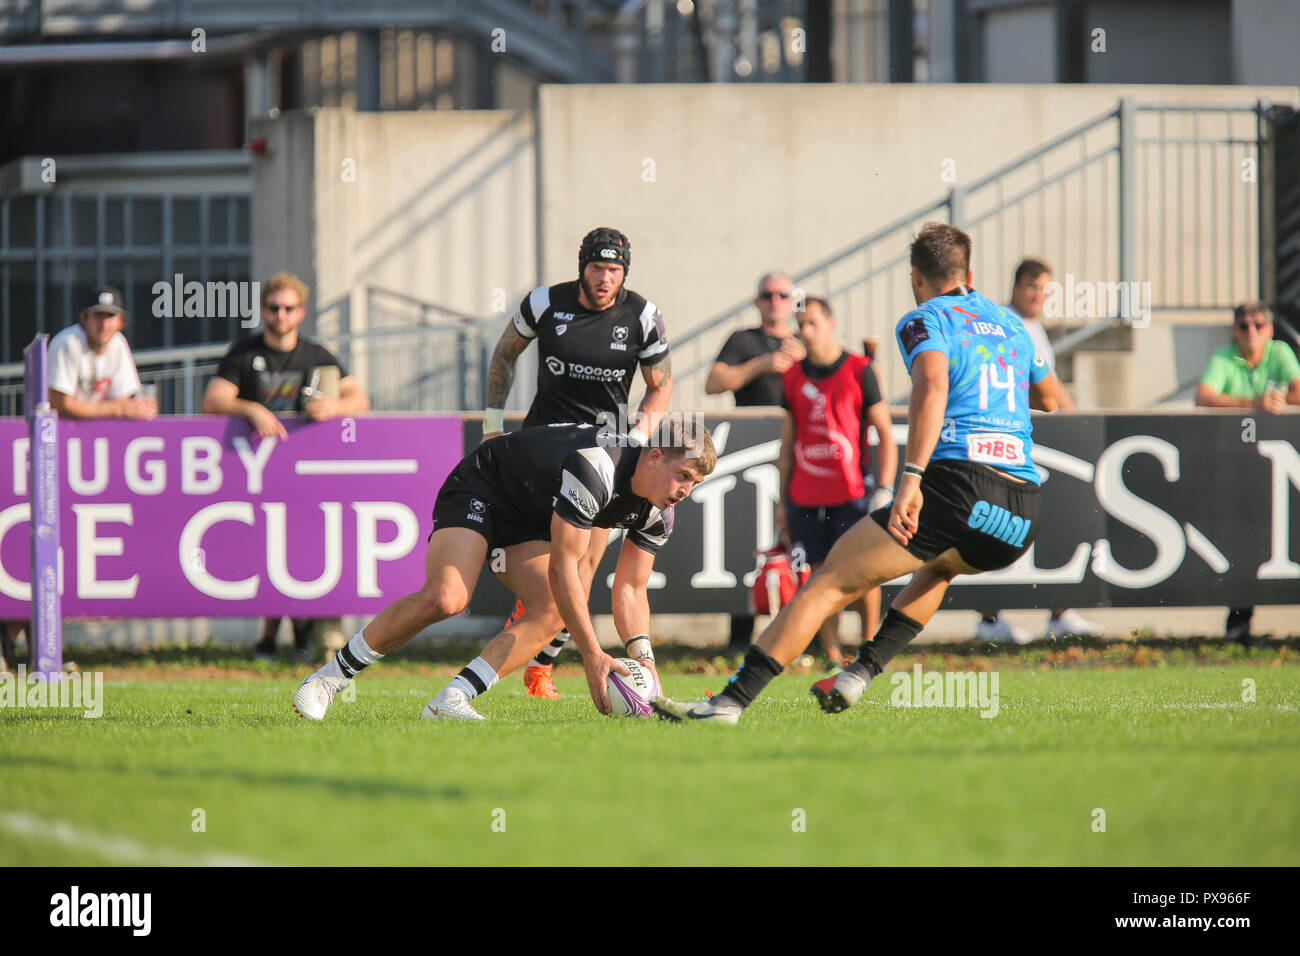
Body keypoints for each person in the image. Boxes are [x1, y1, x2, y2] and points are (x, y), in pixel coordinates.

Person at [652, 222, 1061, 724]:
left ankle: (729, 703)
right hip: (1022, 512)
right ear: (970, 274)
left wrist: (911, 479)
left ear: (916, 278)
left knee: (827, 584)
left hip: (962, 486)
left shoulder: (925, 318)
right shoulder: (1011, 323)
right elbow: (1048, 398)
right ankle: (858, 673)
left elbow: (932, 385)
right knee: (939, 566)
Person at [292, 418, 716, 721]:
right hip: (487, 484)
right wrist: (592, 655)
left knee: (551, 612)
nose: (686, 491)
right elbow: (563, 567)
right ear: (655, 456)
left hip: (532, 515)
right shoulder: (598, 468)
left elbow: (631, 588)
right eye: (683, 476)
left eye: (695, 483)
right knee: (446, 598)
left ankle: (450, 700)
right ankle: (327, 680)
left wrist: (647, 661)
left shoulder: (660, 512)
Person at [481, 226, 672, 698]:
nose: (605, 278)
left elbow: (662, 384)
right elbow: (504, 355)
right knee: (553, 566)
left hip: (603, 459)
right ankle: (533, 623)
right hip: (541, 453)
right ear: (582, 266)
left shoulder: (643, 315)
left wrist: (637, 436)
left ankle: (541, 665)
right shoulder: (544, 303)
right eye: (597, 267)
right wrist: (490, 422)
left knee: (582, 570)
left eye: (615, 270)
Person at [203, 272, 371, 659]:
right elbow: (213, 400)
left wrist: (335, 407)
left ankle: (300, 633)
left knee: (302, 553)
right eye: (273, 307)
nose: (281, 315)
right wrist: (251, 409)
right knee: (263, 551)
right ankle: (268, 636)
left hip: (306, 475)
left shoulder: (316, 354)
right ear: (262, 311)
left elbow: (359, 398)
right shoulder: (244, 352)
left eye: (288, 308)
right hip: (254, 472)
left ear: (301, 312)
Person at [975, 257, 1100, 644]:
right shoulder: (1004, 323)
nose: (1038, 295)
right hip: (1008, 439)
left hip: (1036, 441)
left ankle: (1057, 612)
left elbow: (1050, 383)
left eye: (1044, 289)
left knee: (1043, 525)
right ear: (1016, 287)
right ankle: (990, 618)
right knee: (997, 526)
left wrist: (1074, 419)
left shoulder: (1033, 329)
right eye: (1032, 286)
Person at [775, 296, 897, 668]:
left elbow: (886, 435)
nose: (805, 332)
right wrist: (782, 500)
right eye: (801, 324)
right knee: (818, 574)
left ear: (830, 323)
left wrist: (885, 490)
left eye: (812, 323)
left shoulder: (860, 369)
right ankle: (830, 653)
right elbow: (786, 443)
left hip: (853, 490)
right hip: (807, 494)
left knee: (864, 572)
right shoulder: (793, 376)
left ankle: (868, 646)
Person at [705, 271, 806, 654]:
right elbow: (713, 382)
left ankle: (799, 640)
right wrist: (762, 364)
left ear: (792, 300)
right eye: (768, 294)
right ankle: (739, 639)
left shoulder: (804, 342)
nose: (775, 301)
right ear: (757, 300)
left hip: (798, 455)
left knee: (801, 546)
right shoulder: (743, 340)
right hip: (751, 460)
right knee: (750, 547)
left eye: (783, 295)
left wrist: (803, 361)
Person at [1196, 300, 1300, 643]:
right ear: (1233, 330)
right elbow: (1204, 397)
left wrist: (1277, 398)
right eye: (1244, 326)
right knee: (1245, 543)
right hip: (1239, 469)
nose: (1251, 332)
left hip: (1286, 471)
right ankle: (1239, 625)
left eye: (1258, 325)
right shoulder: (1225, 357)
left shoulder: (1280, 352)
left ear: (1270, 330)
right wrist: (1254, 404)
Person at [47, 285, 157, 420]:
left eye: (110, 316)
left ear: (120, 322)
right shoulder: (67, 343)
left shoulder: (118, 343)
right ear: (84, 318)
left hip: (94, 431)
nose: (104, 324)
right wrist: (119, 409)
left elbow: (122, 398)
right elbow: (61, 406)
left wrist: (129, 408)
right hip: (53, 432)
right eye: (98, 315)